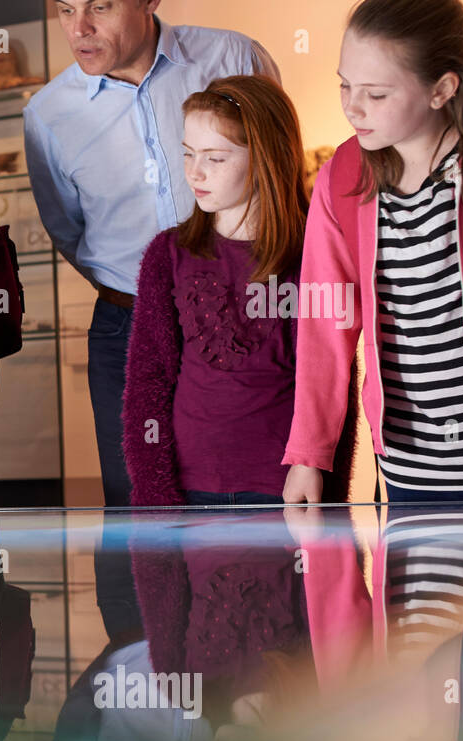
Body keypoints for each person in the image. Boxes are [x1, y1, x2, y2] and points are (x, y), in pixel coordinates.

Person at [24, 0, 278, 641]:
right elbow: (70, 233)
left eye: (100, 6)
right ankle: (146, 659)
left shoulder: (233, 59)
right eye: (63, 8)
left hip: (244, 312)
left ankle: (264, 653)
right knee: (137, 495)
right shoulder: (48, 115)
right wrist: (154, 294)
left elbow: (280, 178)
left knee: (261, 484)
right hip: (128, 324)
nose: (78, 28)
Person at [283, 0, 463, 506]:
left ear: (442, 89)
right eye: (344, 85)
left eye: (375, 94)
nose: (352, 107)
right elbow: (324, 326)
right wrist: (307, 455)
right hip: (409, 474)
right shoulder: (342, 176)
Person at [123, 75, 308, 507]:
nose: (194, 172)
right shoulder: (167, 254)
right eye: (188, 153)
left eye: (216, 158)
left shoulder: (308, 256)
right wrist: (154, 492)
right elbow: (147, 382)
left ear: (266, 158)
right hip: (189, 486)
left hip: (281, 487)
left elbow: (321, 383)